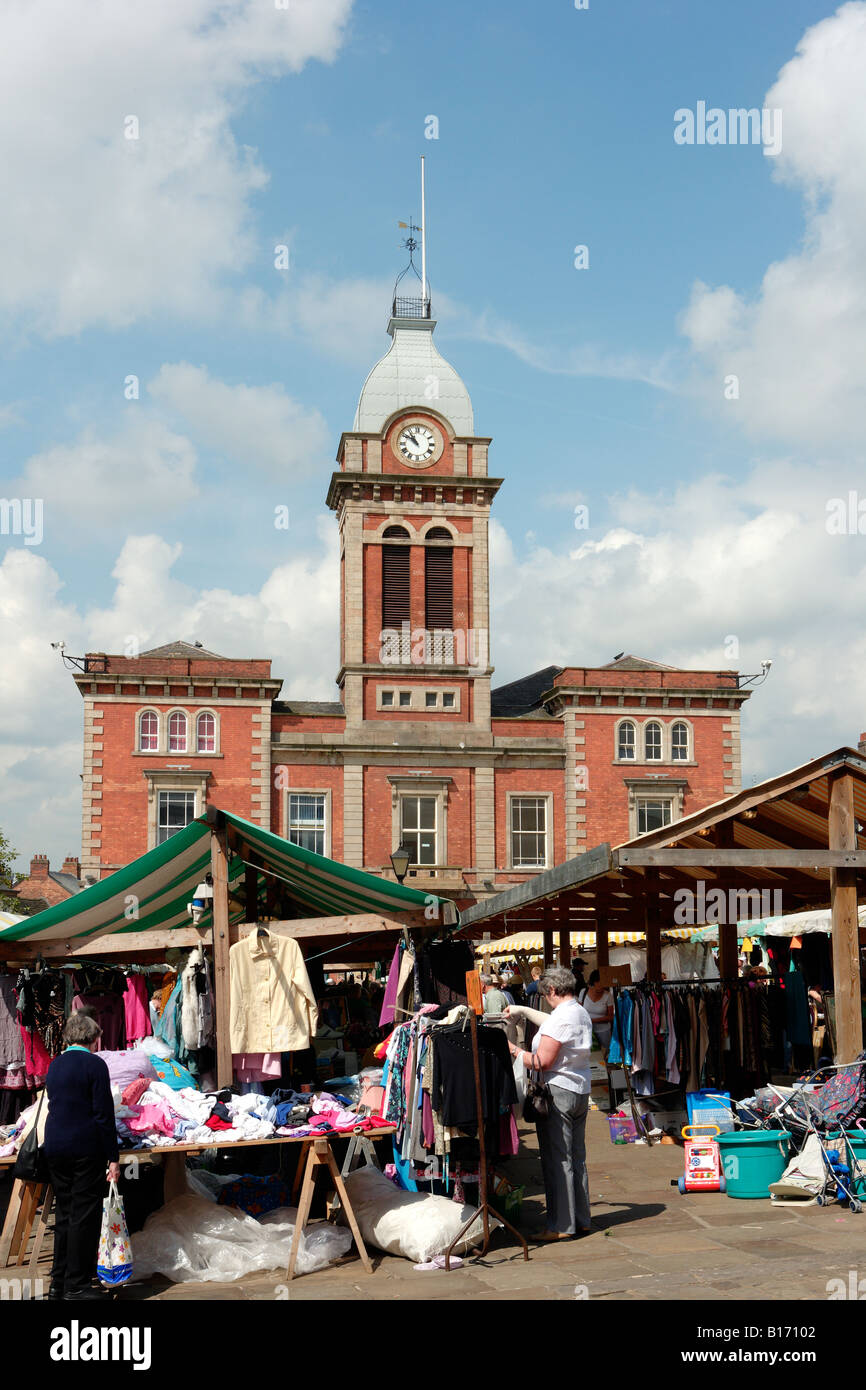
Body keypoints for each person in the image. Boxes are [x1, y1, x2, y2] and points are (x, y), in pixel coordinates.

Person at [504, 966, 593, 1241]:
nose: (546, 998)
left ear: (553, 990)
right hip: (579, 1089)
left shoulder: (560, 1019)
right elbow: (551, 1021)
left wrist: (514, 1050)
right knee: (576, 1158)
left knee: (558, 1160)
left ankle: (559, 1226)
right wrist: (522, 1010)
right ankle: (581, 1219)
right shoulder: (579, 1012)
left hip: (558, 1092)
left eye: (546, 994)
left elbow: (542, 1061)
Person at [43, 1013, 120, 1300]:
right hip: (84, 1147)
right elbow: (103, 1114)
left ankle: (58, 1283)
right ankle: (77, 1285)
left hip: (55, 1145)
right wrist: (113, 1157)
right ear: (93, 1038)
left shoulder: (55, 1065)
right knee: (82, 1215)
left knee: (63, 1214)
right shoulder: (95, 1065)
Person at [578, 971, 614, 1054]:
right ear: (593, 983)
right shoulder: (583, 992)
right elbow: (578, 1011)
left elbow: (611, 1016)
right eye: (600, 983)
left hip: (604, 1031)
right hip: (586, 1030)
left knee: (606, 1053)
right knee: (588, 1054)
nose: (602, 986)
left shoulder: (608, 995)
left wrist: (593, 1020)